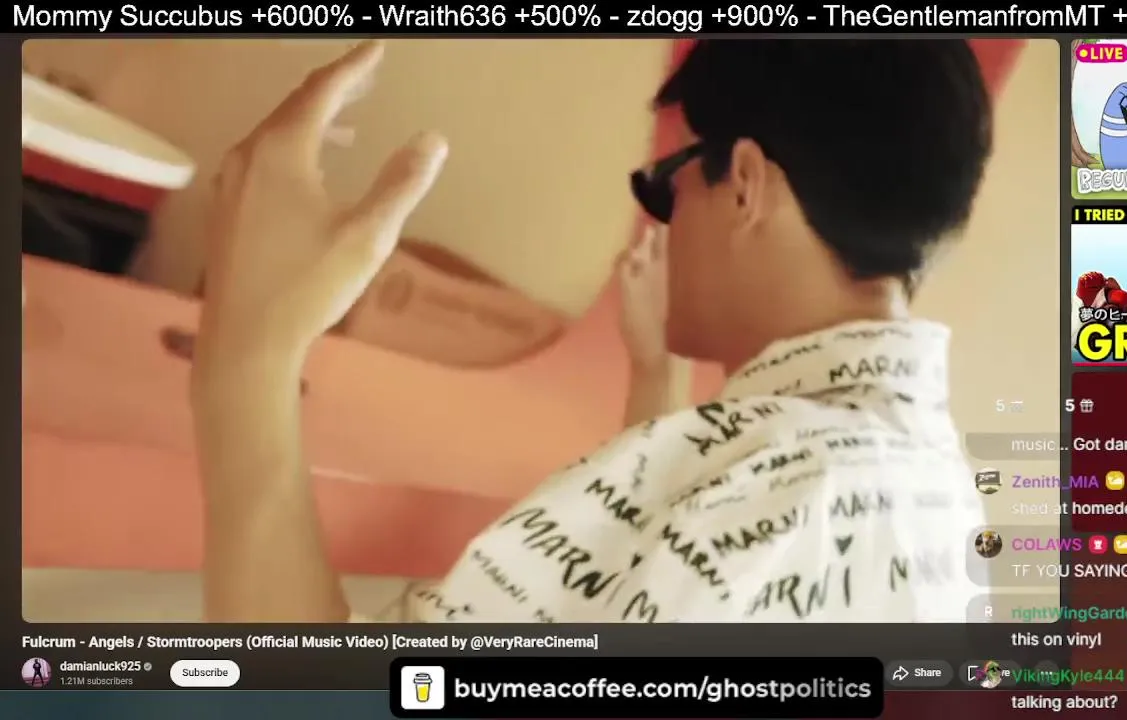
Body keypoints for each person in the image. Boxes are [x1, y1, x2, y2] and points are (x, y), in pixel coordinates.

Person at [192, 39, 993, 623]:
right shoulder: (937, 492)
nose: (664, 223)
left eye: (667, 184)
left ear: (745, 185)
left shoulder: (753, 478)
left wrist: (245, 354)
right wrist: (655, 376)